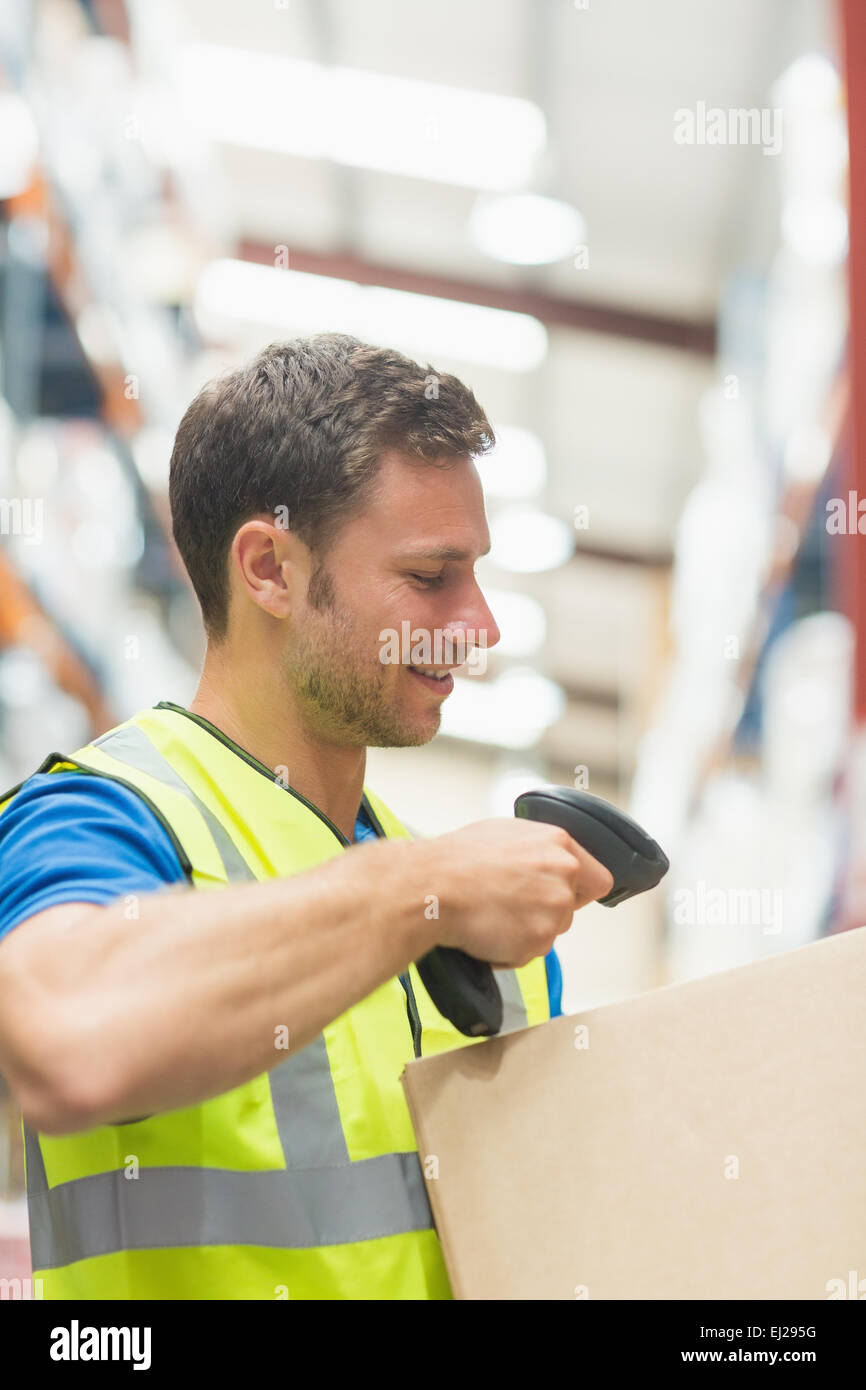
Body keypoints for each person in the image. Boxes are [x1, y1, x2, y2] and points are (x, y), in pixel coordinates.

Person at [0, 333, 613, 1300]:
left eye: (476, 572)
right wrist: (427, 890)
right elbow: (70, 1038)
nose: (480, 626)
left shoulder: (489, 917)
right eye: (429, 576)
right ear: (269, 569)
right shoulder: (101, 814)